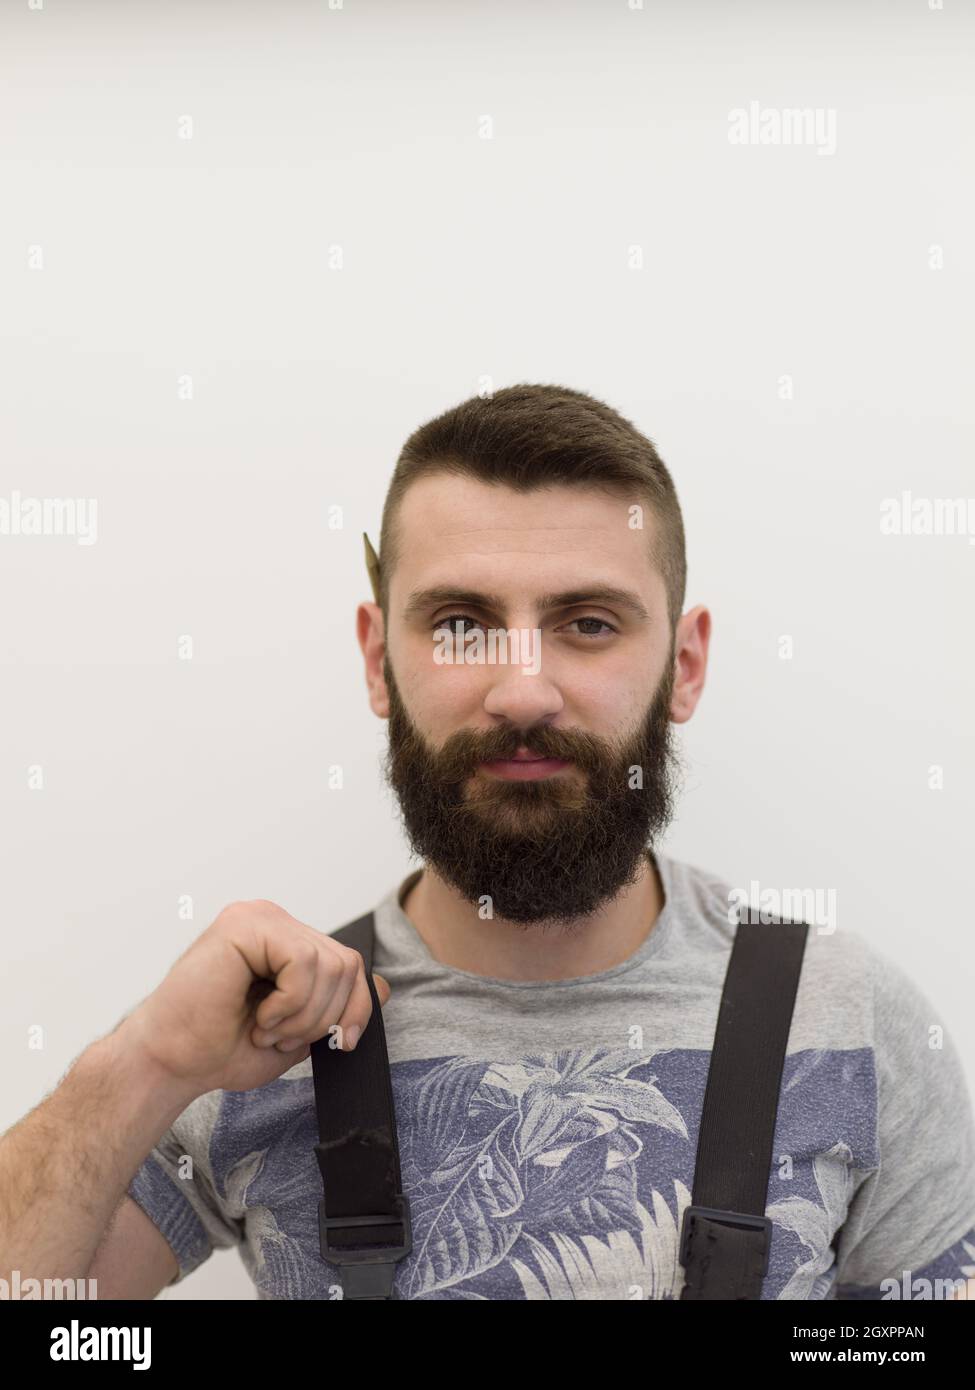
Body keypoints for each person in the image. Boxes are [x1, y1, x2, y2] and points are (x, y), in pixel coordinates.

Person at [2, 384, 973, 1301]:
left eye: (587, 623)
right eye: (461, 623)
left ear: (684, 664)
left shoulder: (848, 1021)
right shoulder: (259, 1040)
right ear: (378, 661)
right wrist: (139, 1066)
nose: (520, 690)